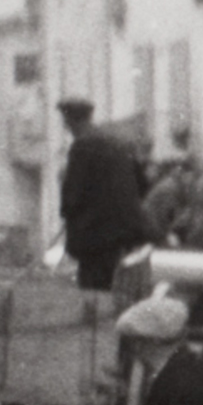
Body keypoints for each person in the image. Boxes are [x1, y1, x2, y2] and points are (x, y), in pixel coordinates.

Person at [57, 98, 152, 291]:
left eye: (67, 123)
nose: (67, 128)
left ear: (71, 122)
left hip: (96, 237)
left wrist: (68, 213)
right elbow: (143, 185)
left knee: (95, 292)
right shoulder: (120, 144)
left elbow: (72, 196)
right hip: (127, 236)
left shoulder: (82, 146)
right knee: (122, 288)